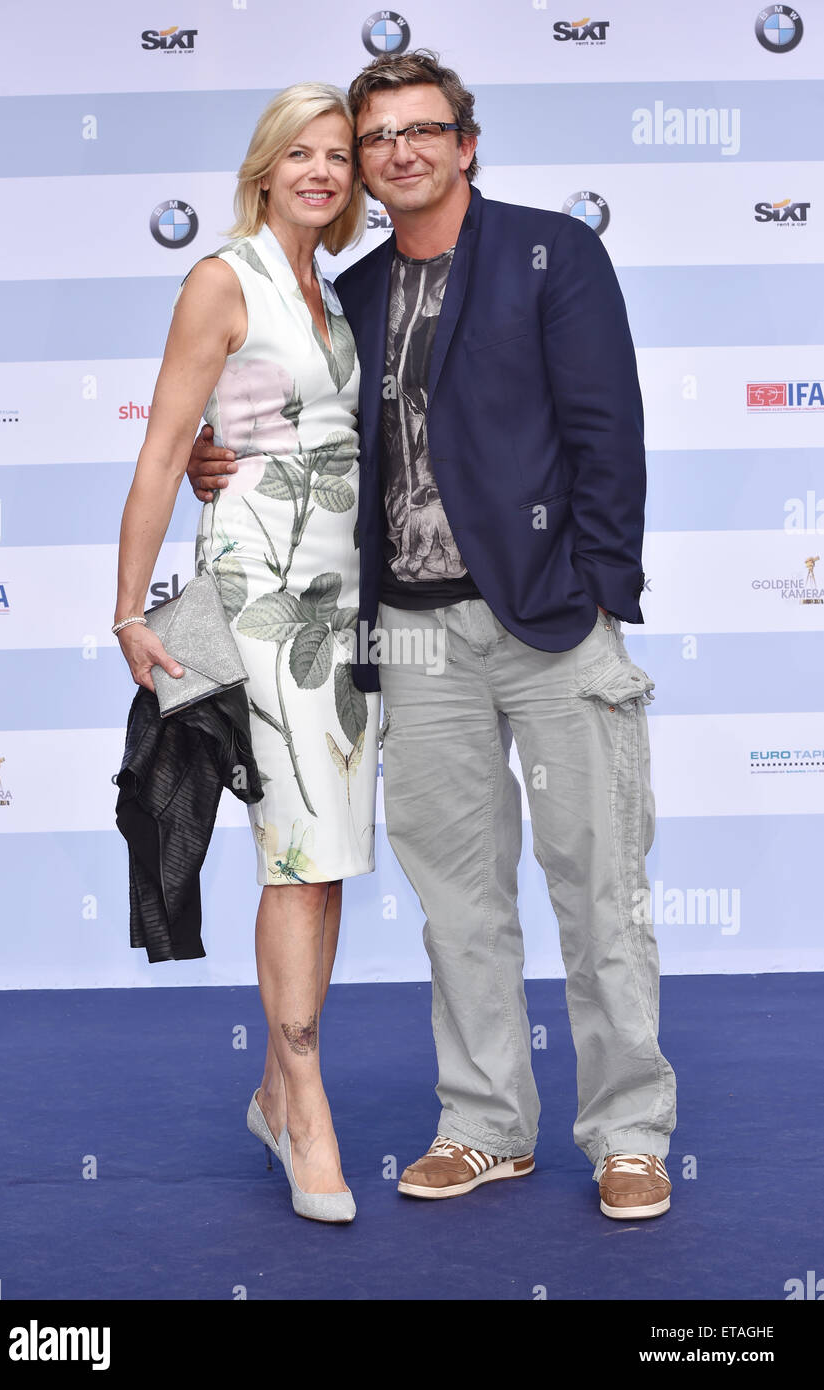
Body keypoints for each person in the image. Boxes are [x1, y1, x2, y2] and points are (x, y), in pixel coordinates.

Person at [187, 51, 677, 1221]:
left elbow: (608, 430)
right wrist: (217, 459)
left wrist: (598, 588)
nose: (398, 151)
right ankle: (487, 1125)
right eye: (375, 138)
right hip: (409, 640)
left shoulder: (550, 253)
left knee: (599, 890)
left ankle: (628, 1133)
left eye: (423, 129)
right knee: (459, 901)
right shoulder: (346, 296)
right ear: (358, 163)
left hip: (552, 625)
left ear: (466, 142)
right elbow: (271, 431)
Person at [113, 83, 380, 1224]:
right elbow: (168, 449)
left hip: (339, 606)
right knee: (296, 855)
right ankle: (304, 1100)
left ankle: (277, 1086)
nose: (322, 170)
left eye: (338, 156)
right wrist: (131, 609)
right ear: (265, 166)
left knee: (320, 858)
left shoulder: (337, 293)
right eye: (301, 153)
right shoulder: (222, 278)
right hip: (255, 598)